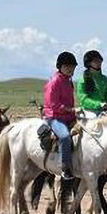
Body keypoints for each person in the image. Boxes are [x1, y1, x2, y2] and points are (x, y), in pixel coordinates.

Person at [44, 51, 78, 180]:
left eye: (72, 66)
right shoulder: (54, 82)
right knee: (64, 137)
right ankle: (65, 168)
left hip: (69, 116)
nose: (70, 69)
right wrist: (71, 110)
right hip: (54, 117)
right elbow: (53, 105)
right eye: (67, 66)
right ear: (60, 66)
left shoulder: (69, 81)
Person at [76, 50, 107, 117]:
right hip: (89, 111)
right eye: (95, 61)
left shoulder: (104, 79)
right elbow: (83, 100)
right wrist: (99, 104)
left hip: (104, 109)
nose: (99, 63)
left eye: (100, 61)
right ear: (88, 64)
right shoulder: (82, 80)